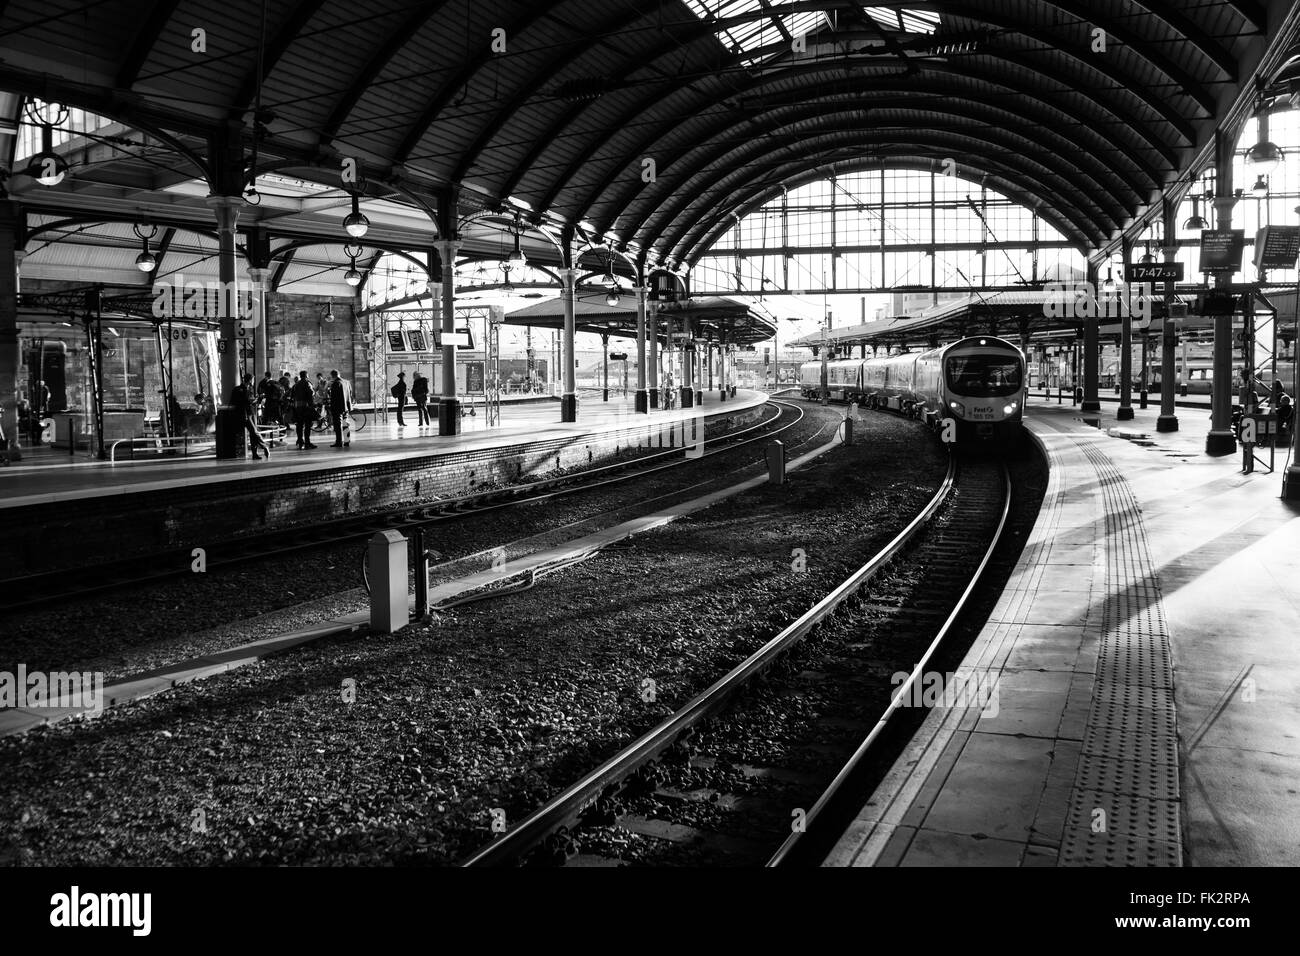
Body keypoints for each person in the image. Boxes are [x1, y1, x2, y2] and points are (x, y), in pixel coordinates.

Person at [232, 372, 271, 460]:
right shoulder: (243, 390)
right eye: (253, 380)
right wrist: (255, 400)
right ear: (250, 380)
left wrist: (255, 400)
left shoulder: (245, 389)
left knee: (253, 433)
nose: (253, 382)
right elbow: (246, 401)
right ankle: (265, 447)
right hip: (246, 414)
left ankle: (255, 453)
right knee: (254, 432)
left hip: (250, 413)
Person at [291, 370, 317, 450]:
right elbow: (311, 394)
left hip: (297, 408)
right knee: (307, 426)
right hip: (306, 407)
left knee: (299, 425)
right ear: (306, 376)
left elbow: (292, 395)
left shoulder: (296, 385)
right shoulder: (307, 383)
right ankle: (307, 443)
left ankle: (300, 441)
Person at [327, 369, 350, 448]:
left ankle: (339, 442)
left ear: (333, 376)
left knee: (337, 425)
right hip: (346, 407)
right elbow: (350, 394)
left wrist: (331, 408)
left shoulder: (335, 383)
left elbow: (333, 397)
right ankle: (347, 441)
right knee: (346, 424)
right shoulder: (347, 382)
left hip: (337, 408)